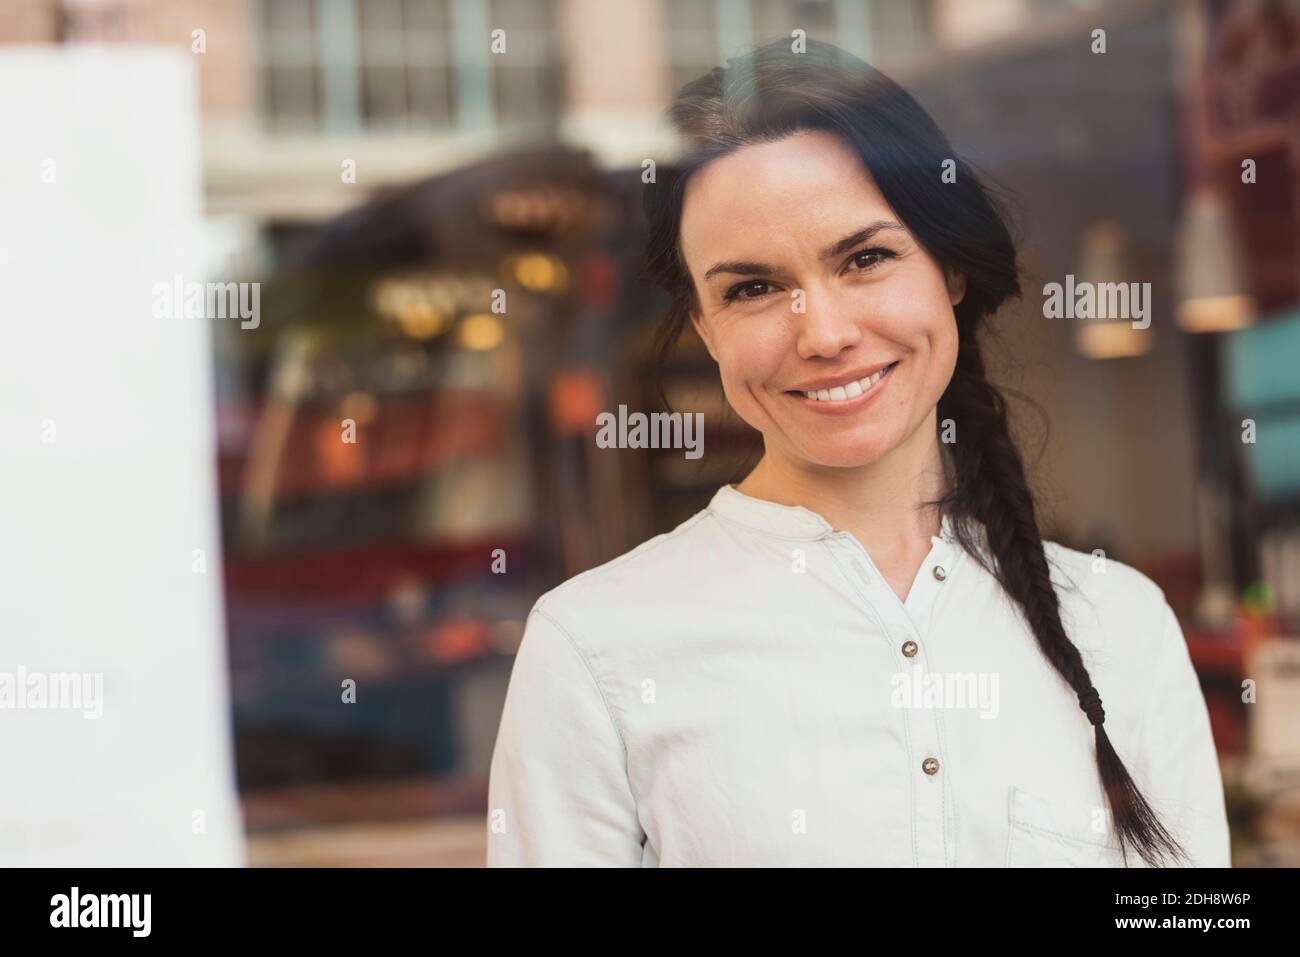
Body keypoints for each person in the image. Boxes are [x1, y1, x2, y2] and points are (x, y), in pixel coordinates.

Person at [486, 38, 1231, 867]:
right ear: (705, 327)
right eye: (753, 289)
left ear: (947, 268)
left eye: (866, 258)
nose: (826, 333)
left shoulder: (1123, 625)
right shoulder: (593, 650)